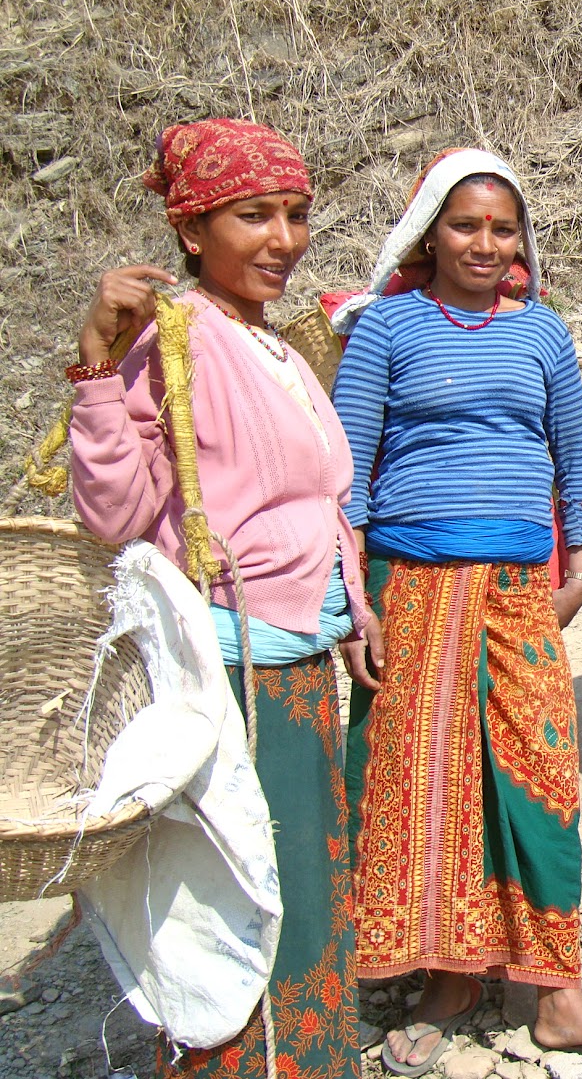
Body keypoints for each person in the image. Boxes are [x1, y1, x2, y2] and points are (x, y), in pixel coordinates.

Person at [333, 148, 582, 1075]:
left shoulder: (542, 335)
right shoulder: (385, 331)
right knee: (421, 787)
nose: (485, 243)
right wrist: (352, 601)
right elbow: (347, 476)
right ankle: (448, 978)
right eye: (464, 225)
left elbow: (573, 455)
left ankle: (556, 993)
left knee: (536, 777)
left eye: (501, 227)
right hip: (410, 586)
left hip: (521, 588)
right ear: (428, 234)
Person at [70, 118, 377, 1078]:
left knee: (304, 886)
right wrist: (91, 367)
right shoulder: (174, 340)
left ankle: (314, 1060)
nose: (283, 239)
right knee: (245, 896)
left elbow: (322, 506)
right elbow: (117, 514)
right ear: (192, 230)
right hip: (232, 673)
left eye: (295, 215)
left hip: (293, 663)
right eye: (254, 216)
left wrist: (354, 612)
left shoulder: (268, 342)